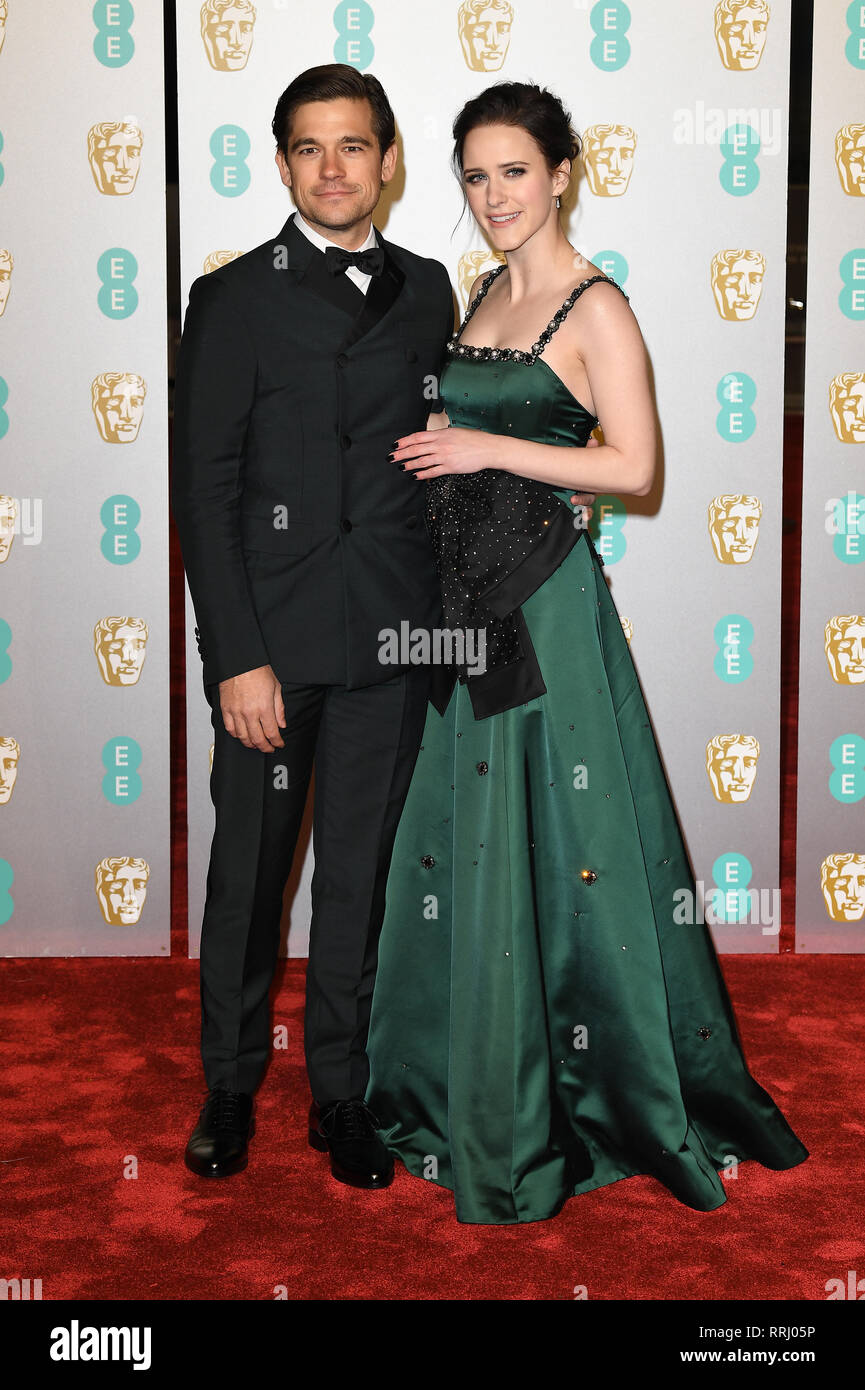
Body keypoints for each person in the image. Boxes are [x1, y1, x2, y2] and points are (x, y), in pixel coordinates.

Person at [365, 81, 809, 1224]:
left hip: (549, 611)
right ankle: (465, 1085)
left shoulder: (594, 305)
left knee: (574, 849)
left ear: (560, 173)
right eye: (474, 174)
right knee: (468, 850)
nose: (493, 194)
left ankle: (590, 1094)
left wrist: (481, 444)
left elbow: (634, 468)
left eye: (513, 170)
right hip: (465, 617)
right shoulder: (478, 294)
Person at [172, 65, 565, 1189]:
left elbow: (449, 444)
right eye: (309, 147)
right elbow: (206, 490)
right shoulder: (237, 297)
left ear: (388, 160)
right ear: (284, 163)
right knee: (250, 879)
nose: (333, 167)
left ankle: (338, 1090)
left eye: (354, 146)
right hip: (273, 649)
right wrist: (234, 656)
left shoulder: (431, 286)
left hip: (394, 642)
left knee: (361, 876)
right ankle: (232, 1083)